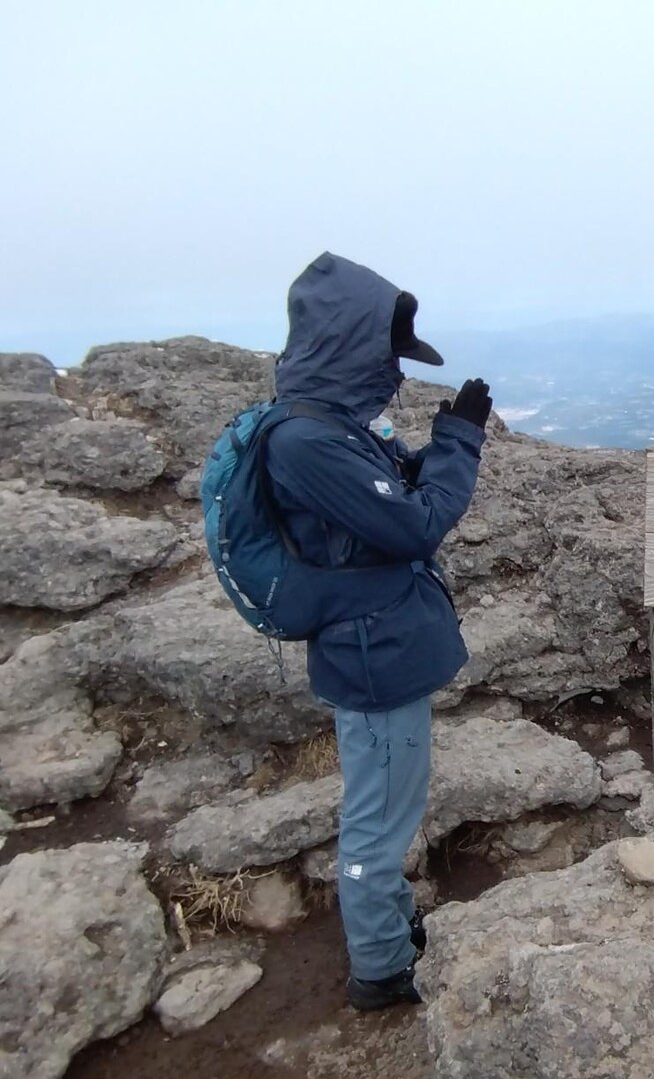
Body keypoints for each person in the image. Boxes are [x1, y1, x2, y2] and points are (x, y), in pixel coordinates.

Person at [265, 252, 492, 1010]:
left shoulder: (332, 426)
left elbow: (391, 495)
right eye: (386, 355)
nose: (394, 373)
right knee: (379, 819)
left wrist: (448, 439)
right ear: (349, 346)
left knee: (387, 804)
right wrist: (459, 443)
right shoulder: (307, 442)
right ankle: (382, 969)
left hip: (376, 644)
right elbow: (416, 524)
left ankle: (390, 930)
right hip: (373, 655)